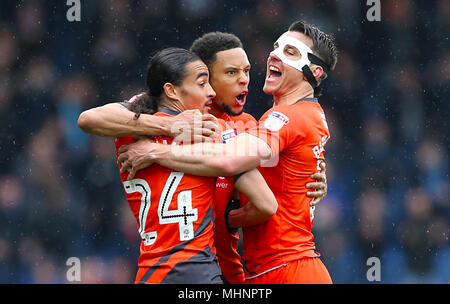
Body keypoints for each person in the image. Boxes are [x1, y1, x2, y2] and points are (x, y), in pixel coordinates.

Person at [78, 32, 328, 283]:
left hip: (161, 271)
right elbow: (89, 119)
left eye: (247, 71)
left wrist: (309, 172)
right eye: (231, 73)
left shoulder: (244, 127)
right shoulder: (211, 130)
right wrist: (170, 126)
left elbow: (278, 173)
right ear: (199, 77)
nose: (244, 80)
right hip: (202, 270)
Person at [108, 47, 278, 284]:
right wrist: (226, 218)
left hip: (150, 273)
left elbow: (89, 119)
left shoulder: (127, 136)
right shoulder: (208, 132)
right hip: (195, 270)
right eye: (202, 84)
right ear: (171, 91)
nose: (211, 92)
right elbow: (266, 204)